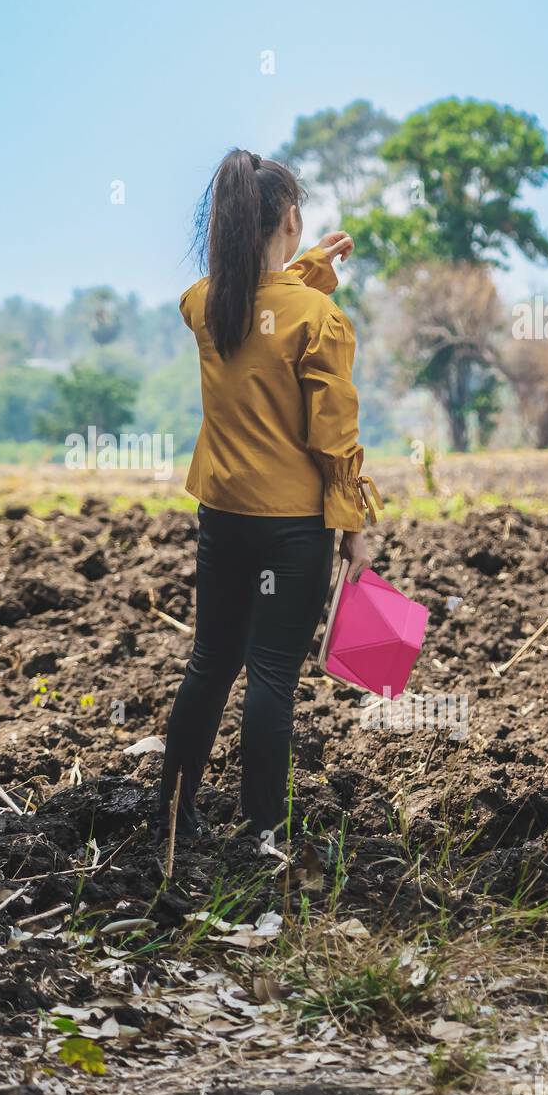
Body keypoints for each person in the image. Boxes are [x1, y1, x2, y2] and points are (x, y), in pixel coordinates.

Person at [155, 148, 378, 846]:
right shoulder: (319, 321)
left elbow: (258, 310)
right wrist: (355, 528)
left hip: (222, 515)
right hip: (293, 525)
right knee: (273, 676)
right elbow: (331, 437)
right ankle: (261, 833)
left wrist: (304, 270)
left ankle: (174, 814)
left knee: (209, 664)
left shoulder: (202, 307)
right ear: (289, 218)